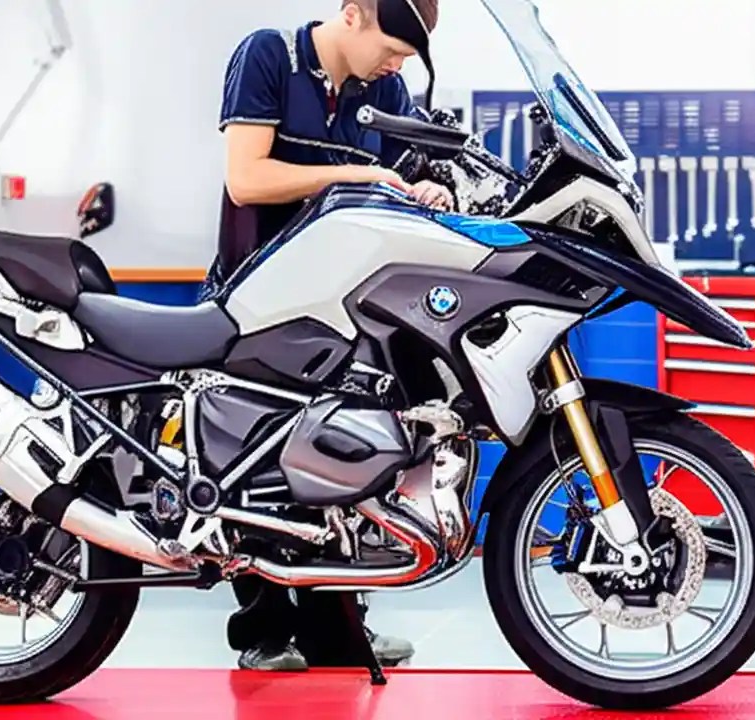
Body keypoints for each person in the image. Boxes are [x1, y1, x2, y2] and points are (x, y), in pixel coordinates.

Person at [207, 0, 452, 672]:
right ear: (353, 14)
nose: (398, 64)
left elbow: (402, 178)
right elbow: (246, 177)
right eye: (393, 47)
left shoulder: (387, 90)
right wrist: (355, 175)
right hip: (252, 302)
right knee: (253, 474)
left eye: (408, 55)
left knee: (338, 469)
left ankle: (336, 634)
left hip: (339, 311)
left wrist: (422, 190)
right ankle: (261, 634)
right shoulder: (269, 57)